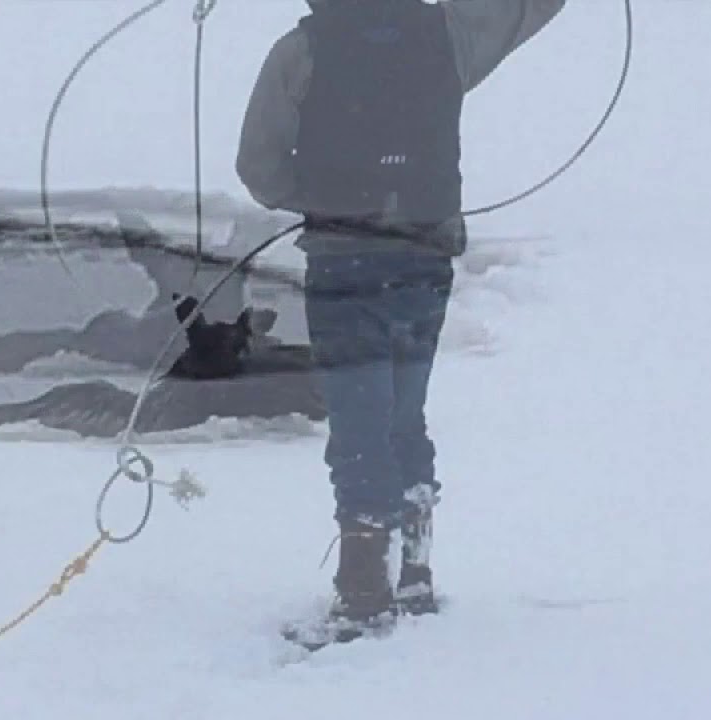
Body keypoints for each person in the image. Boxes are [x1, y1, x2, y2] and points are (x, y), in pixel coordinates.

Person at [236, 0, 567, 641]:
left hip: (342, 263)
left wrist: (317, 197)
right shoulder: (449, 34)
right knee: (402, 415)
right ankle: (412, 574)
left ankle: (364, 596)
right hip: (424, 263)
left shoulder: (300, 51)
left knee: (360, 422)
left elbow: (258, 168)